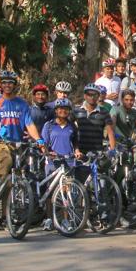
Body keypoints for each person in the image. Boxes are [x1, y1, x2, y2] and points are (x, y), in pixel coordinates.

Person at [0, 71, 43, 205]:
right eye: (4, 82)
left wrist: (39, 140)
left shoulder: (22, 104)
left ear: (15, 85)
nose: (7, 85)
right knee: (6, 161)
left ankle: (4, 216)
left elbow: (29, 124)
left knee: (12, 178)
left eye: (10, 83)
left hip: (17, 143)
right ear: (1, 85)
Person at [38, 98, 81, 230]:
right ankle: (49, 218)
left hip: (68, 162)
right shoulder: (49, 125)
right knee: (50, 191)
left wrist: (77, 151)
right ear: (56, 111)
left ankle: (65, 220)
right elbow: (43, 143)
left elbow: (75, 142)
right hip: (52, 162)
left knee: (65, 192)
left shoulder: (72, 126)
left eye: (66, 109)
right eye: (60, 109)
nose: (63, 111)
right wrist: (47, 152)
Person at [73, 84, 118, 155]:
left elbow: (110, 132)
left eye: (95, 95)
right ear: (85, 95)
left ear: (98, 96)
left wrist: (113, 150)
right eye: (89, 94)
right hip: (80, 152)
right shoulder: (76, 110)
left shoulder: (104, 112)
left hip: (98, 152)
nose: (92, 97)